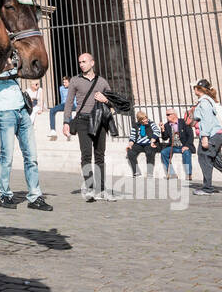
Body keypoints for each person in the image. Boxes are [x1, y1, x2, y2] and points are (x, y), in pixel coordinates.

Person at [0, 65, 51, 210]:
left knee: (31, 156)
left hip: (22, 111)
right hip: (5, 112)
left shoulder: (14, 62)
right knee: (6, 156)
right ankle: (5, 195)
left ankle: (35, 197)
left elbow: (29, 70)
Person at [63, 51, 115, 201]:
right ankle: (90, 187)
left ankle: (102, 189)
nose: (81, 64)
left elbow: (113, 102)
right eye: (80, 62)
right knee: (86, 155)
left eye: (84, 61)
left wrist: (105, 99)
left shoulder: (102, 82)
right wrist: (66, 121)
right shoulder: (75, 80)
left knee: (100, 156)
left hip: (99, 121)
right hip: (82, 121)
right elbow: (68, 102)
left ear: (92, 63)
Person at [159, 108, 194, 181]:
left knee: (186, 153)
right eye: (166, 115)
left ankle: (188, 174)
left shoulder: (183, 122)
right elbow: (165, 138)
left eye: (168, 114)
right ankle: (172, 174)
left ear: (174, 115)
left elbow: (190, 135)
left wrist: (187, 146)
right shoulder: (167, 125)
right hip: (173, 146)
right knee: (163, 153)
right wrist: (162, 129)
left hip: (184, 145)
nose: (167, 116)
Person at [125, 109, 161, 178]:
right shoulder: (135, 126)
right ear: (139, 120)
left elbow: (157, 131)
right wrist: (130, 145)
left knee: (150, 152)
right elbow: (132, 137)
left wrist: (153, 140)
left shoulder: (151, 123)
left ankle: (150, 173)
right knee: (130, 152)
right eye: (143, 119)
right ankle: (136, 171)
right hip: (139, 144)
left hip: (149, 143)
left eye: (146, 118)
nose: (145, 120)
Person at [49, 76, 71, 141]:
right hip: (63, 104)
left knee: (68, 109)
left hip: (72, 105)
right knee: (52, 110)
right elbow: (62, 98)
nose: (64, 84)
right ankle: (53, 130)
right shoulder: (61, 88)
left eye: (66, 82)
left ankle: (68, 130)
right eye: (63, 82)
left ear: (70, 82)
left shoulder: (73, 88)